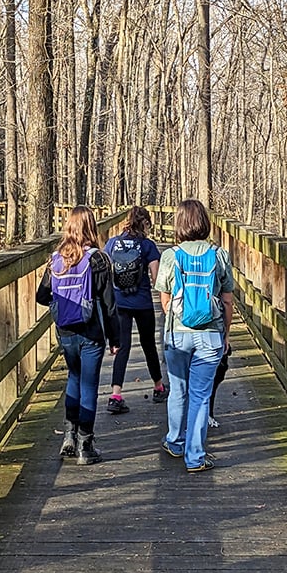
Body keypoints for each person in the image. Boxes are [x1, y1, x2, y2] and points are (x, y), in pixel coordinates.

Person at [37, 206, 120, 465]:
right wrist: (115, 338)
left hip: (65, 331)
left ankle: (69, 437)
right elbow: (110, 305)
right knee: (89, 385)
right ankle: (86, 445)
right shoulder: (99, 260)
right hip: (91, 330)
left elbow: (41, 296)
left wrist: (62, 303)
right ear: (91, 227)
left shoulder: (57, 259)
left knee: (74, 377)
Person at [155, 199, 233, 473]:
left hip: (177, 334)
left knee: (178, 389)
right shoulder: (219, 255)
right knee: (200, 396)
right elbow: (227, 300)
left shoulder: (170, 255)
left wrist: (179, 316)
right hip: (210, 335)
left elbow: (164, 299)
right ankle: (195, 457)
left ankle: (175, 442)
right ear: (205, 223)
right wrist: (225, 334)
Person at [104, 206, 168, 414]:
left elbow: (104, 271)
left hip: (119, 302)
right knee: (148, 344)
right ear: (145, 223)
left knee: (122, 346)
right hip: (142, 302)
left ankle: (115, 395)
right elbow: (157, 279)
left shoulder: (112, 243)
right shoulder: (148, 246)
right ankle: (158, 387)